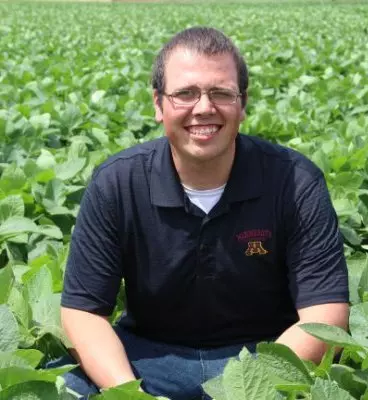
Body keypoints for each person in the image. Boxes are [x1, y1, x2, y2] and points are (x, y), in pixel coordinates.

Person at [55, 27, 349, 400]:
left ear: (243, 104)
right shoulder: (118, 183)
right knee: (60, 388)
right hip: (150, 358)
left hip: (264, 357)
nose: (204, 107)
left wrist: (247, 390)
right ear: (158, 104)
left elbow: (326, 314)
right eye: (185, 94)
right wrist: (129, 394)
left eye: (221, 93)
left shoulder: (296, 182)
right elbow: (82, 312)